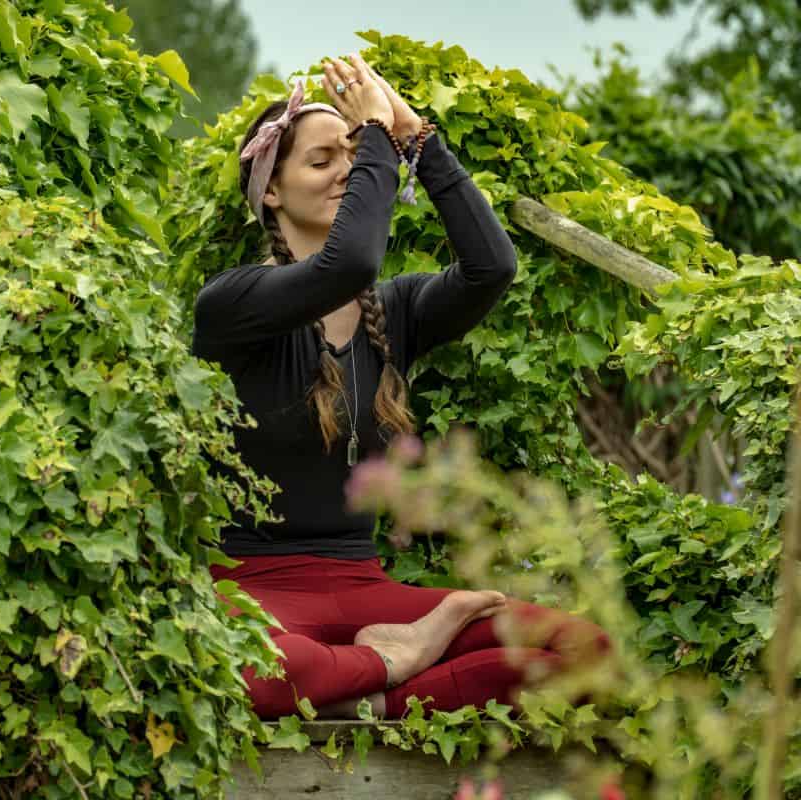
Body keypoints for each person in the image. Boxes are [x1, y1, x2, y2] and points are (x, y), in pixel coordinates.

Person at [192, 53, 610, 719]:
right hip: (253, 587)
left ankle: (360, 683)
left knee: (581, 646)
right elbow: (349, 260)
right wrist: (378, 141)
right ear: (271, 190)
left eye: (353, 156)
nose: (346, 172)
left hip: (364, 586)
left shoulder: (400, 310)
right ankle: (395, 661)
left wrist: (417, 139)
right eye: (321, 160)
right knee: (255, 669)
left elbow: (491, 267)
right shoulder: (233, 301)